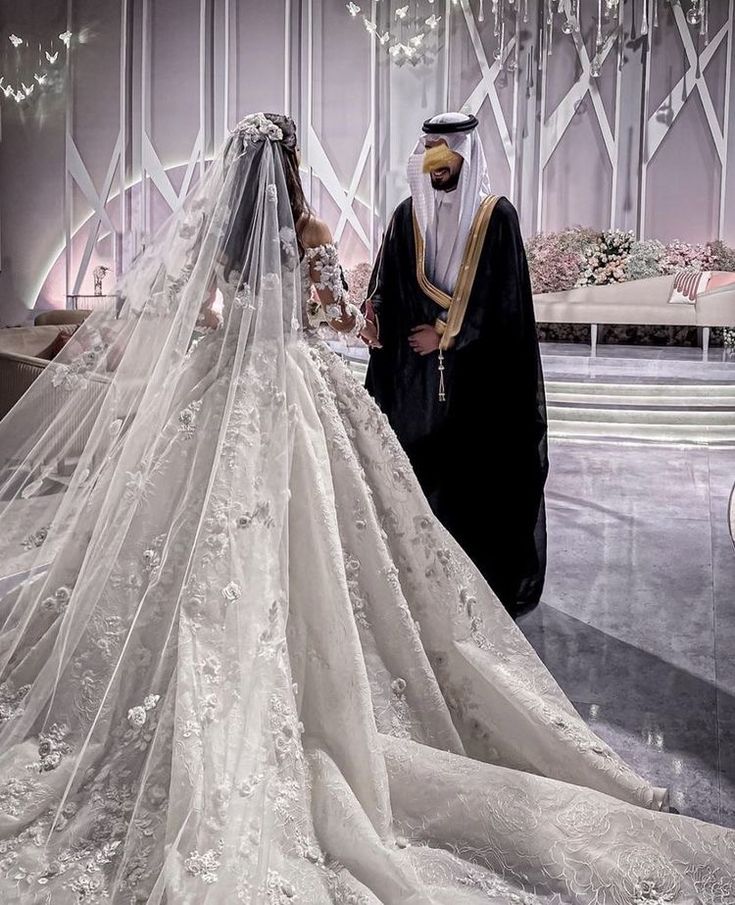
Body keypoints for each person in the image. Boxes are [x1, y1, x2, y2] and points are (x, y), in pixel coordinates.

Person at [0, 113, 731, 904]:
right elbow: (335, 318)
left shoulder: (220, 238)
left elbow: (201, 314)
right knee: (340, 534)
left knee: (197, 536)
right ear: (286, 163)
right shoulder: (309, 224)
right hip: (294, 387)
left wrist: (236, 324)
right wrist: (340, 305)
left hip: (222, 389)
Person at [364, 112, 548, 616]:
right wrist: (374, 314)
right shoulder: (409, 215)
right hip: (418, 384)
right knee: (420, 477)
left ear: (465, 154)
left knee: (473, 485)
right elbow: (388, 281)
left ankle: (476, 588)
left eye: (444, 152)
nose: (435, 164)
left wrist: (448, 335)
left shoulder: (496, 217)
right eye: (427, 151)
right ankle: (422, 584)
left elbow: (507, 303)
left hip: (478, 385)